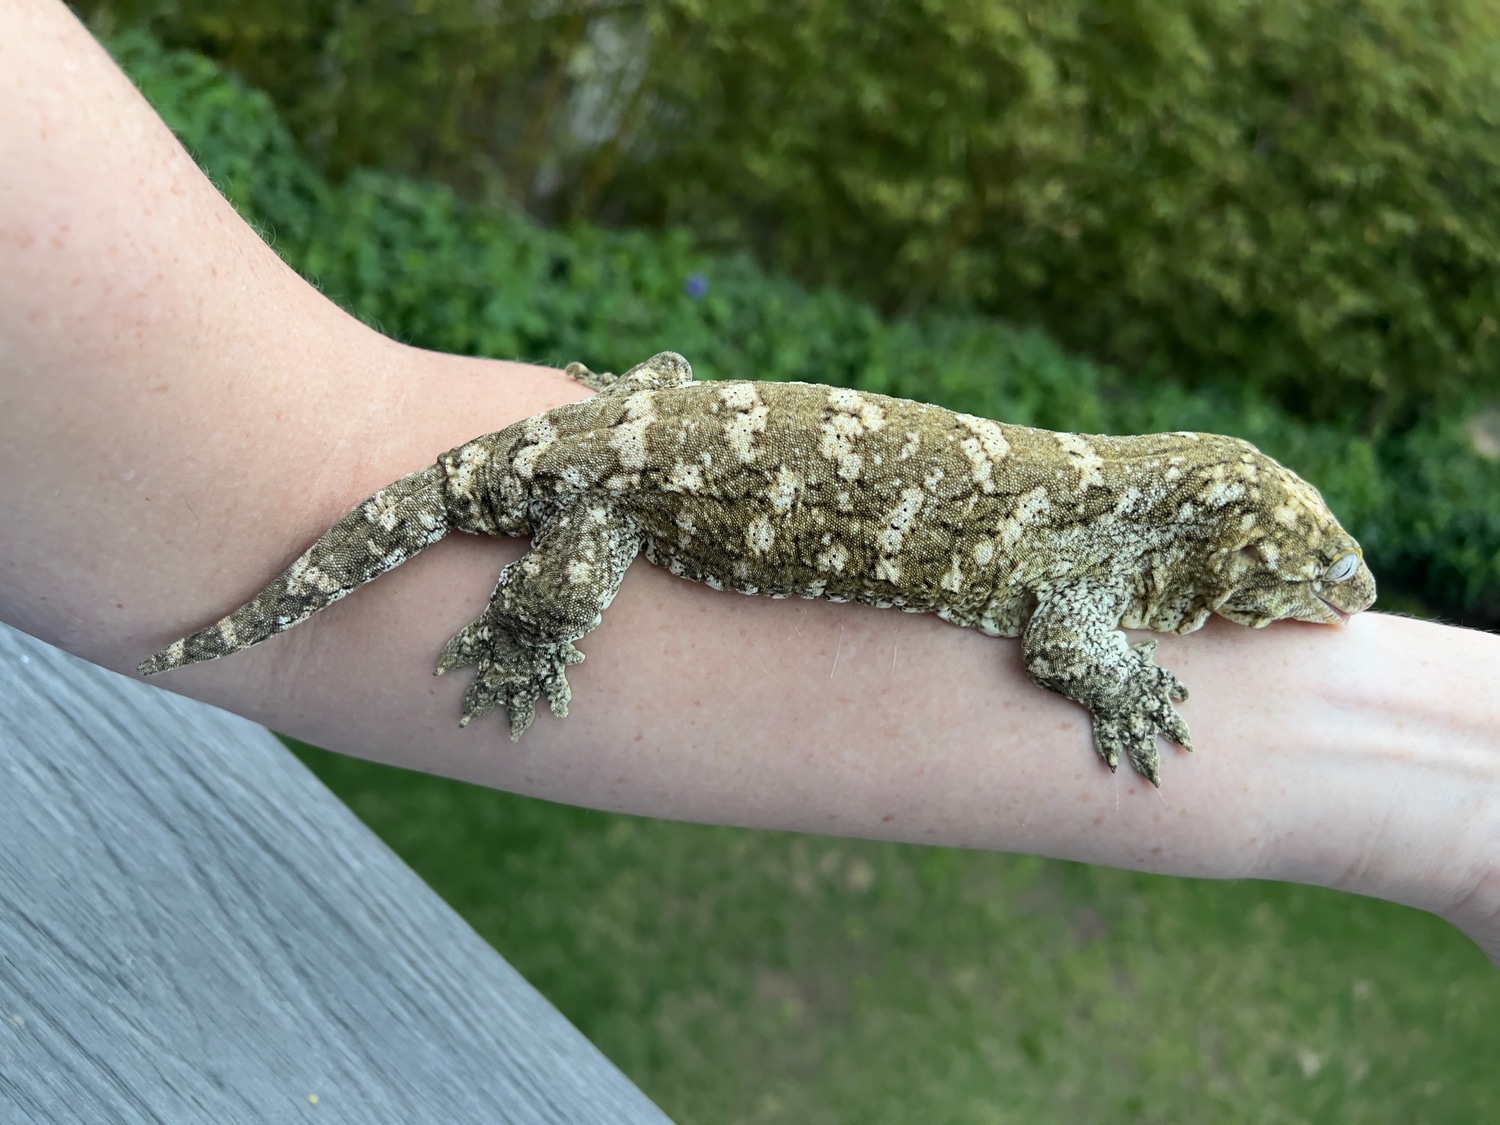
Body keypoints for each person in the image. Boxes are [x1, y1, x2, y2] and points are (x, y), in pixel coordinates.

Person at [1, 0, 1496, 968]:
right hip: (618, 488)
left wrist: (1432, 772)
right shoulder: (1090, 550)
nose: (1330, 600)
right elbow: (1060, 642)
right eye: (1309, 583)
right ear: (1219, 551)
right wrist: (1145, 693)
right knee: (555, 592)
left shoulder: (1111, 501)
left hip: (643, 435)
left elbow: (297, 443)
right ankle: (523, 620)